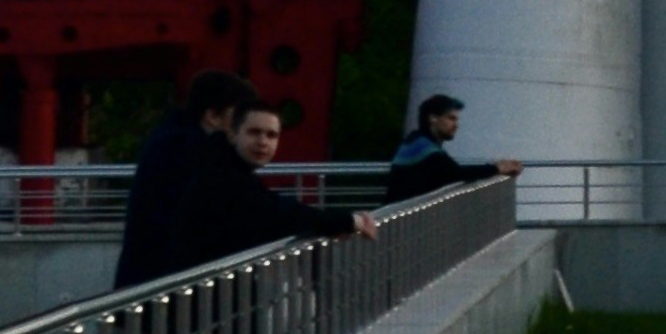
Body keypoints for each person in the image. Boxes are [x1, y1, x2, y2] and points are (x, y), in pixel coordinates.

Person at [165, 97, 385, 268]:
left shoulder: (220, 166)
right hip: (200, 300)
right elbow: (278, 212)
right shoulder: (222, 176)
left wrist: (332, 223)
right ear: (232, 134)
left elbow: (273, 211)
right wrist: (349, 221)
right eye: (254, 132)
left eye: (272, 135)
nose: (263, 142)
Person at [114, 68, 255, 286]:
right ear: (213, 116)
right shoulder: (192, 150)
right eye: (238, 116)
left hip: (151, 279)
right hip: (168, 282)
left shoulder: (172, 139)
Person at [383, 93, 522, 205]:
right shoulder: (423, 148)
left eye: (456, 120)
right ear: (433, 118)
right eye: (451, 118)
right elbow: (456, 173)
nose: (456, 125)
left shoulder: (416, 142)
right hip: (402, 223)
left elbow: (450, 171)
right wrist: (497, 168)